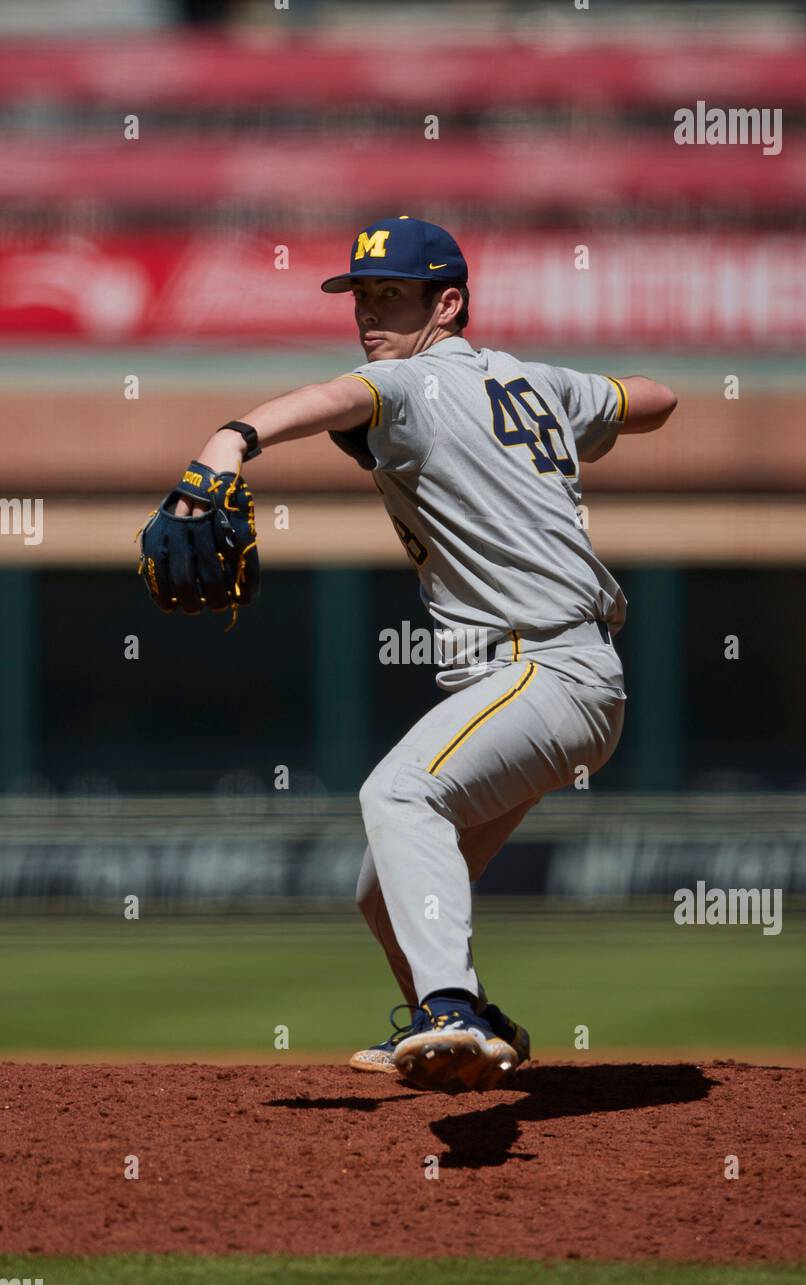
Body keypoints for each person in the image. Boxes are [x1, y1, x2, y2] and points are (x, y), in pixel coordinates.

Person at [182, 216, 677, 1092]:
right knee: (384, 892)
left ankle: (446, 1003)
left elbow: (339, 399)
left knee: (399, 791)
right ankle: (472, 1028)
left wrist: (232, 441)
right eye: (362, 295)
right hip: (545, 678)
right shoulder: (534, 382)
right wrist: (590, 405)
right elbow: (657, 396)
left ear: (446, 303)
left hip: (546, 669)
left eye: (393, 296)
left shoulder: (404, 383)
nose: (371, 313)